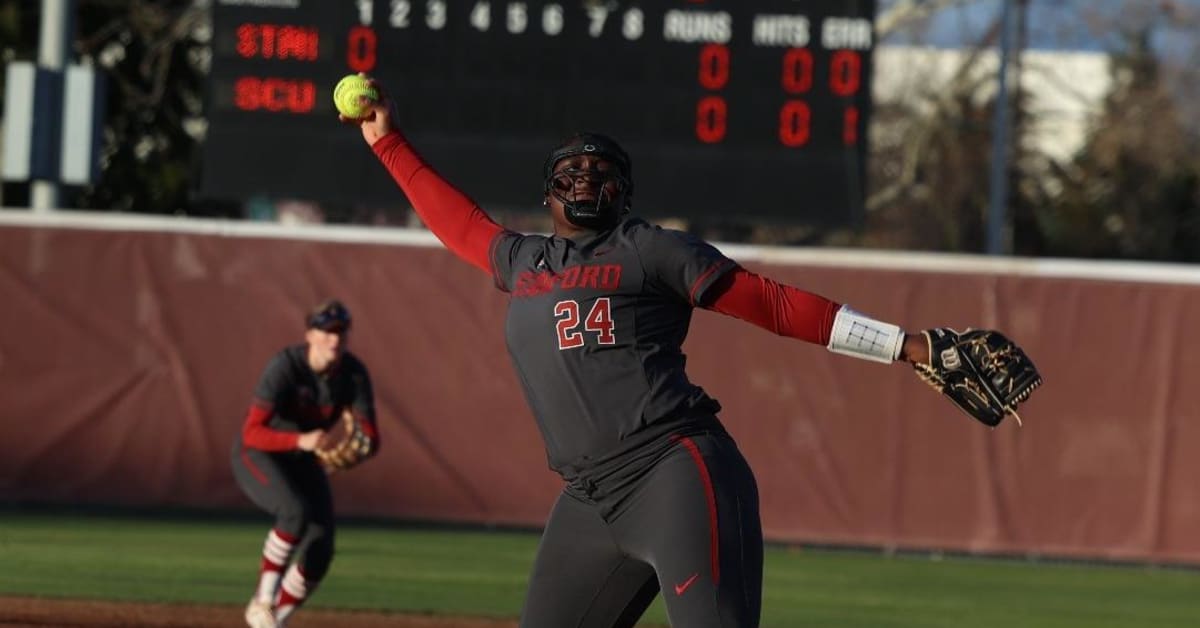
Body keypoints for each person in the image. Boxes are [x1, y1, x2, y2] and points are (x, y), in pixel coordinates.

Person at [343, 79, 932, 628]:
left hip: (671, 472)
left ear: (623, 192)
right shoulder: (524, 261)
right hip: (588, 500)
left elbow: (772, 304)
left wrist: (904, 344)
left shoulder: (648, 249)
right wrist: (387, 142)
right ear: (546, 191)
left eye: (599, 170)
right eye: (569, 170)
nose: (582, 178)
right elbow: (458, 223)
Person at [230, 299, 380, 628]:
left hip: (304, 459)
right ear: (309, 334)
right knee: (294, 512)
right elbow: (252, 432)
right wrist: (300, 440)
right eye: (326, 331)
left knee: (321, 549)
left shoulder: (352, 375)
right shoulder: (286, 366)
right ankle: (263, 601)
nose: (334, 339)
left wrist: (359, 448)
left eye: (340, 332)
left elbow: (370, 435)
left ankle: (275, 620)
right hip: (258, 453)